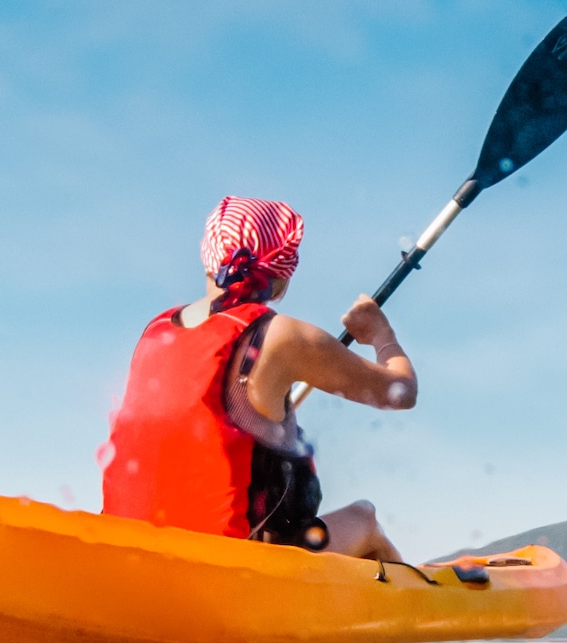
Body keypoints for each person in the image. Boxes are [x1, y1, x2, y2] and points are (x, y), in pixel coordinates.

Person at [100, 196, 416, 561]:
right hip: (232, 567)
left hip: (132, 549)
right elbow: (401, 392)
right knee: (365, 518)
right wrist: (380, 333)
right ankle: (424, 608)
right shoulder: (282, 337)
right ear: (281, 280)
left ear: (207, 259)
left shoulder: (156, 331)